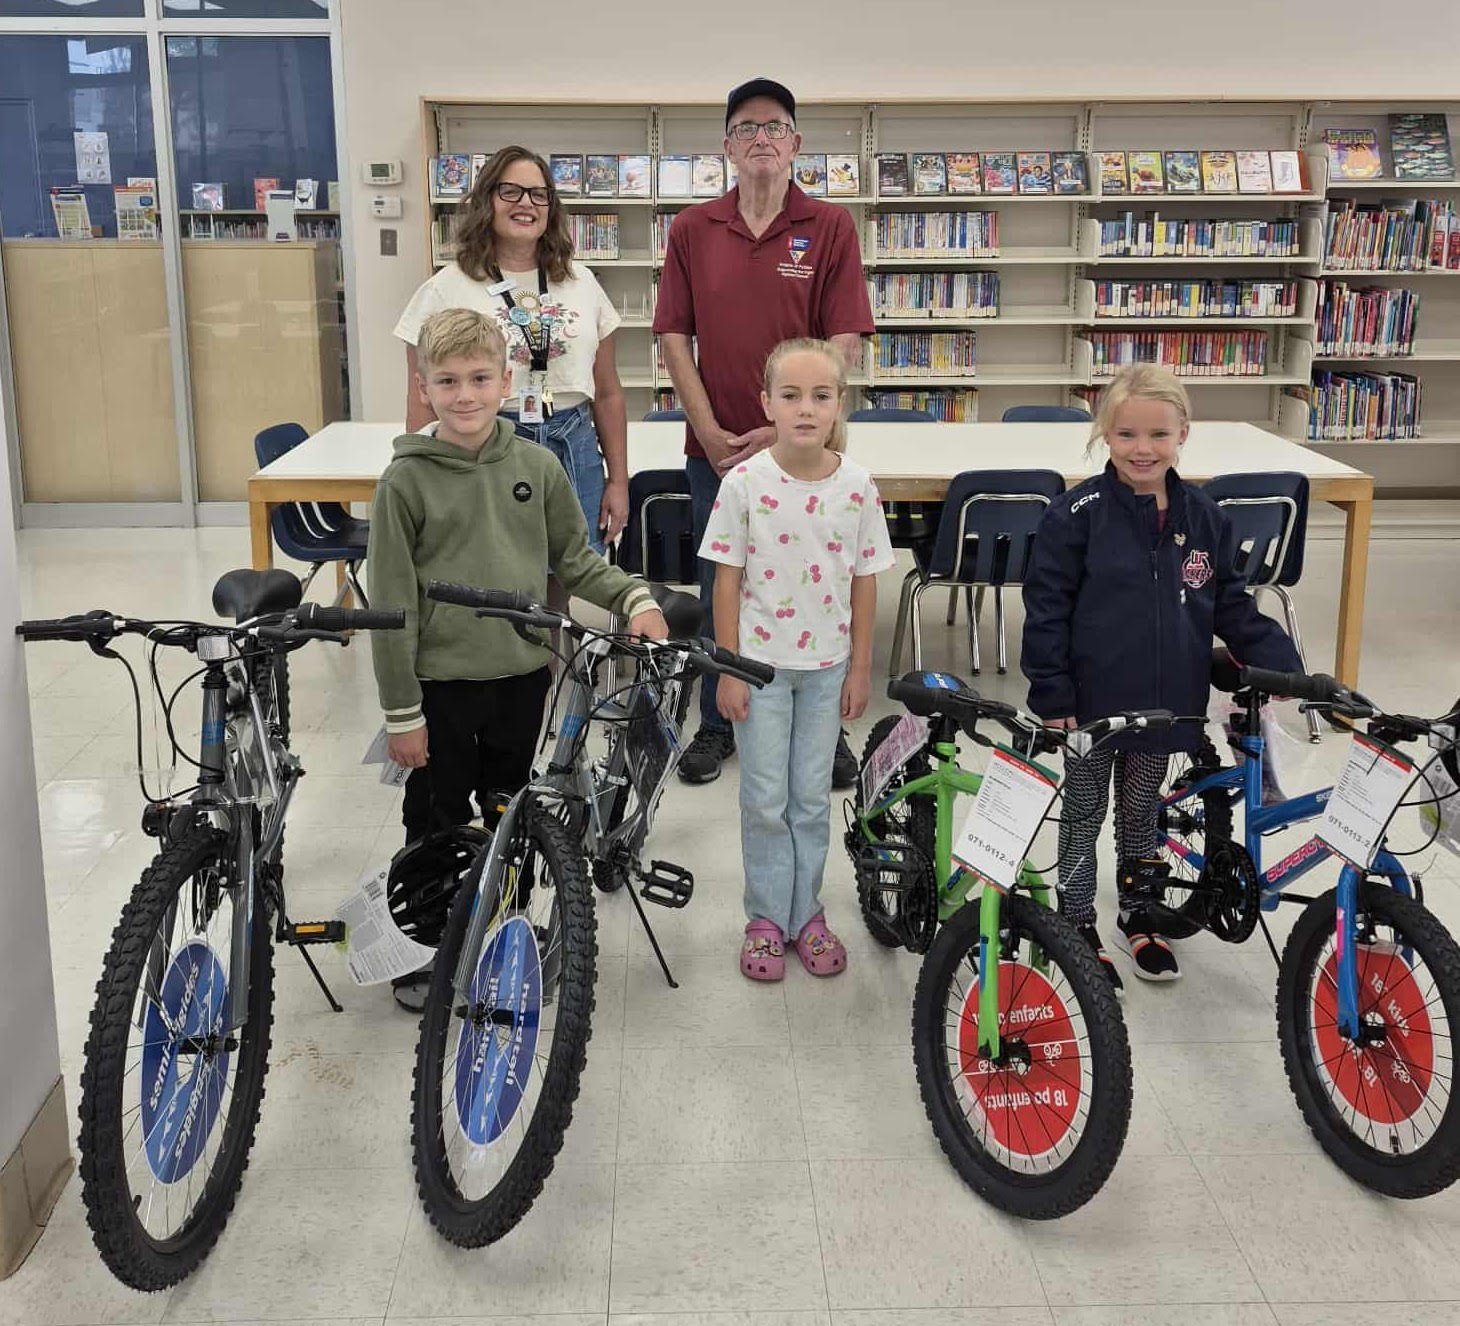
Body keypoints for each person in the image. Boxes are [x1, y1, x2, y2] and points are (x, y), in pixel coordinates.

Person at [1020, 364, 1302, 990]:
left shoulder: (1204, 517)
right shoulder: (1077, 514)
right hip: (1092, 705)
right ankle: (1073, 918)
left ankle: (1139, 910)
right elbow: (1046, 609)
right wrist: (1052, 692)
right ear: (1104, 436)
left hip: (1168, 704)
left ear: (1182, 435)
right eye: (1125, 435)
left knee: (1142, 811)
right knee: (1085, 808)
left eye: (1157, 434)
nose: (1142, 449)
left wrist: (1284, 663)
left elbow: (1229, 601)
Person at [368, 306, 667, 848]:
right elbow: (390, 608)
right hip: (441, 687)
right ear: (423, 387)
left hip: (524, 677)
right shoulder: (403, 482)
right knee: (437, 821)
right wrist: (401, 713)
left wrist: (634, 598)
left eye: (480, 378)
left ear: (505, 380)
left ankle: (505, 914)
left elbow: (575, 561)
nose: (465, 395)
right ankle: (435, 925)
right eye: (448, 381)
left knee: (511, 813)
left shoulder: (539, 467)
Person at [654, 76, 875, 786]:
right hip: (713, 453)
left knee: (819, 583)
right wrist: (713, 433)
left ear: (795, 144)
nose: (760, 139)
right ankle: (721, 718)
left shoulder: (830, 226)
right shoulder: (692, 229)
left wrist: (787, 433)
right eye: (746, 128)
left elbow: (846, 342)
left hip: (809, 453)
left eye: (774, 127)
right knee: (726, 579)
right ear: (726, 146)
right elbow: (671, 340)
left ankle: (821, 723)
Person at [700, 338, 894, 981]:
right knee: (762, 797)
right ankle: (764, 917)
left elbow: (866, 578)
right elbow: (726, 579)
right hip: (758, 670)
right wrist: (727, 666)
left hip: (826, 669)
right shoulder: (745, 483)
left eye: (821, 395)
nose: (806, 409)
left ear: (841, 403)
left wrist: (862, 666)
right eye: (791, 396)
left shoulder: (859, 485)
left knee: (810, 798)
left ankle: (805, 912)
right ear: (767, 404)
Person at [394, 145, 629, 555]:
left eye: (539, 194)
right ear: (487, 200)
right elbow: (423, 400)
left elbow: (607, 392)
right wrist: (421, 480)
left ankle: (556, 625)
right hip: (482, 445)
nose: (526, 204)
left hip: (571, 442)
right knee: (493, 573)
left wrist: (619, 480)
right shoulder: (446, 288)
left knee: (568, 573)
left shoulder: (582, 283)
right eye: (511, 192)